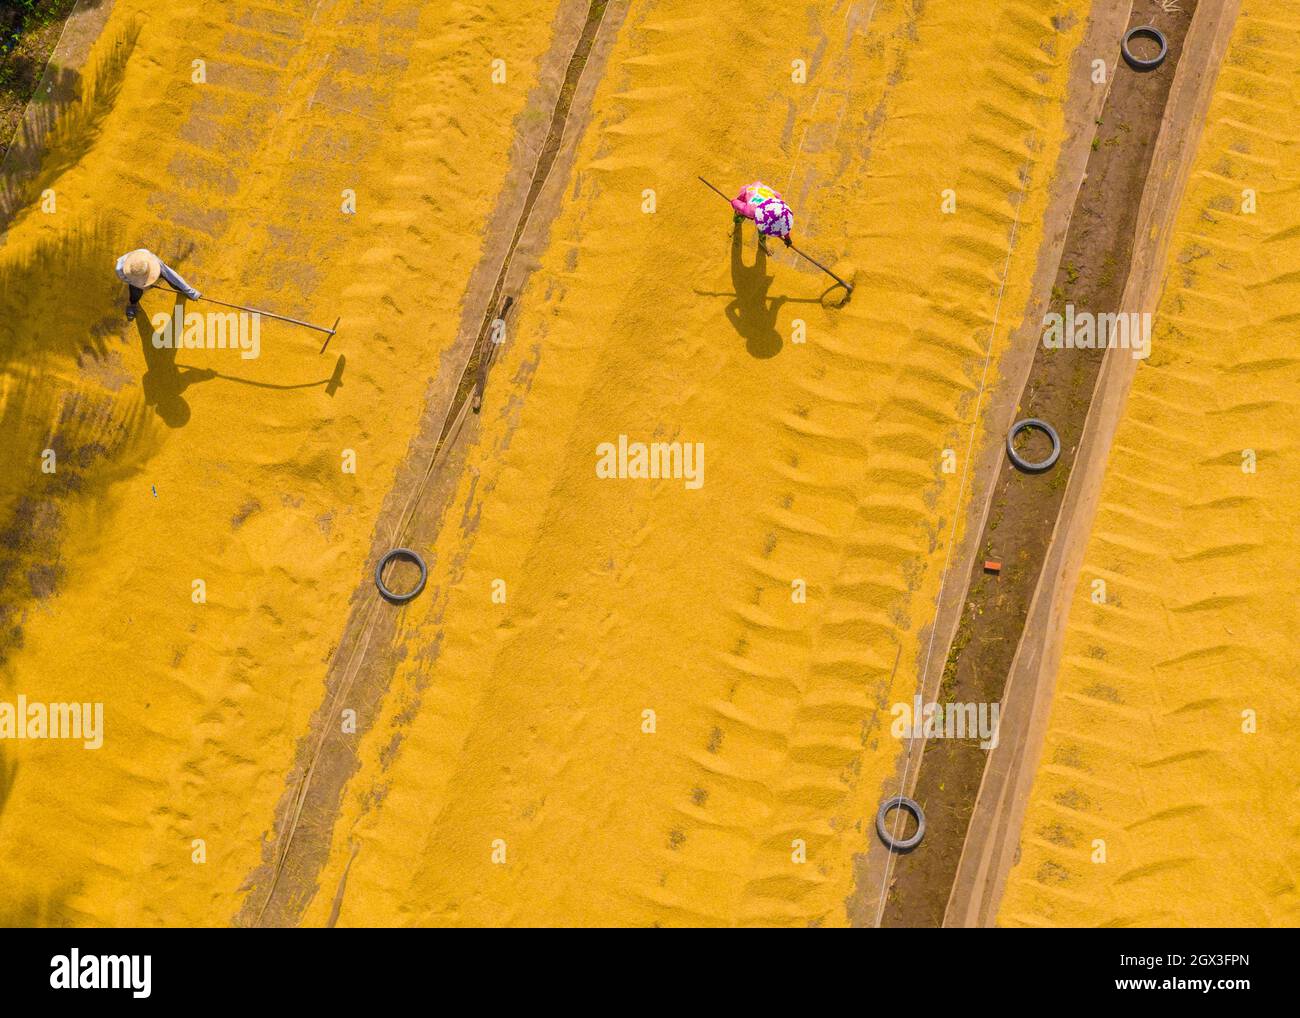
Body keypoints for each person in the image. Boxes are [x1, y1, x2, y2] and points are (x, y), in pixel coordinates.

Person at [115, 248, 201, 321]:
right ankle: (133, 304)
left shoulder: (155, 262)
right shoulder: (120, 269)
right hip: (134, 279)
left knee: (174, 283)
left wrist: (191, 292)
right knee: (135, 291)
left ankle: (184, 291)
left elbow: (173, 276)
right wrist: (143, 285)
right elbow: (127, 280)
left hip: (153, 269)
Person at [730, 181, 794, 254]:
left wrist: (787, 238)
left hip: (763, 192)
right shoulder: (750, 210)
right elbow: (736, 203)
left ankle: (762, 241)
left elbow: (783, 224)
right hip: (748, 196)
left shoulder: (780, 210)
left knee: (763, 229)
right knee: (739, 214)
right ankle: (737, 223)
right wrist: (733, 201)